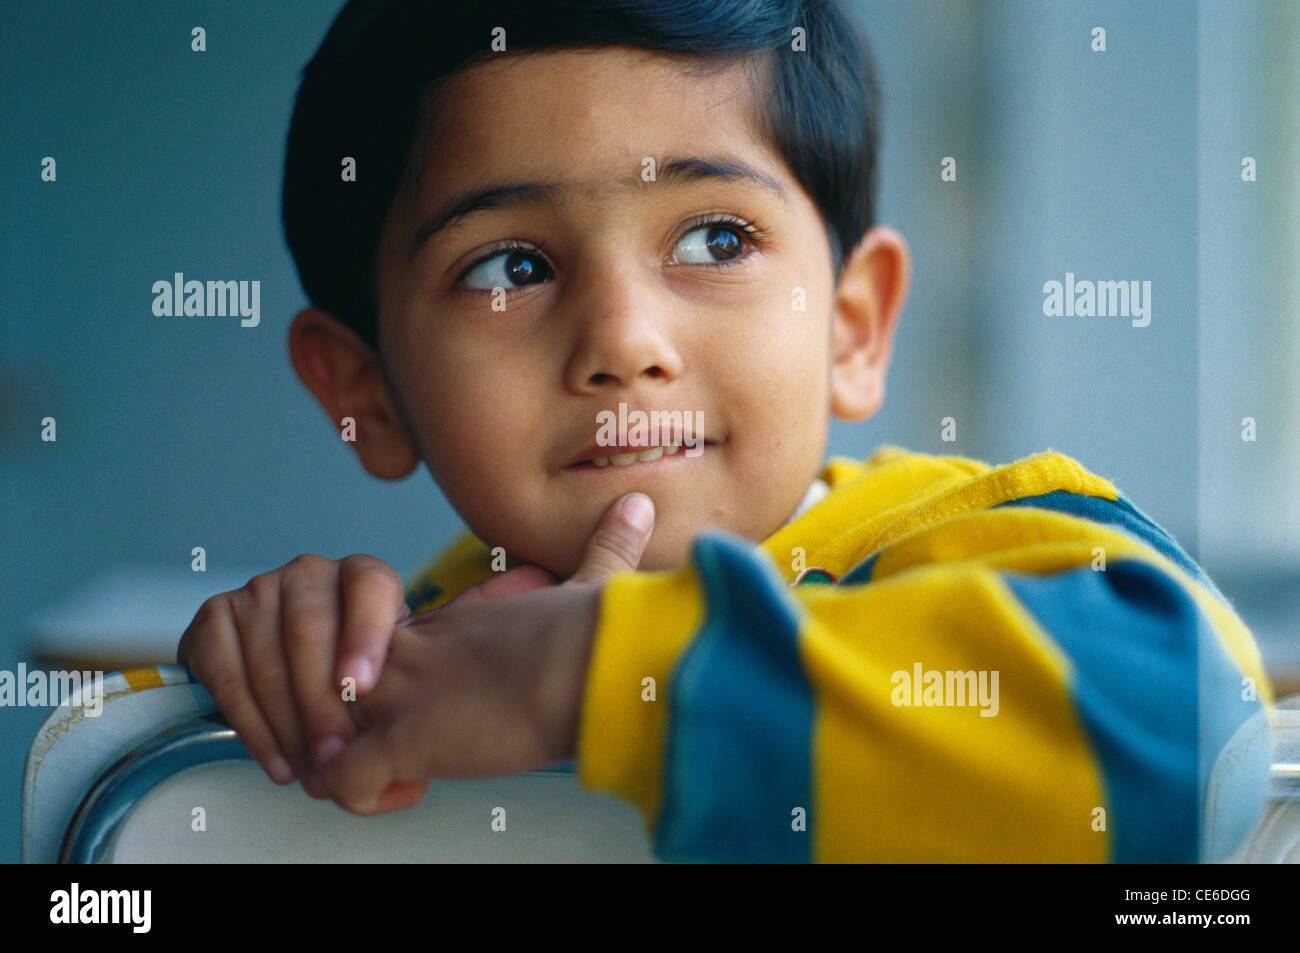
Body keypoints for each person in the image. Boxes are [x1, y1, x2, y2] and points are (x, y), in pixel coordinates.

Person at [178, 0, 1273, 861]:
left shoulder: (1003, 548)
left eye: (712, 239)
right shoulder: (433, 654)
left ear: (852, 325)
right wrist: (282, 667)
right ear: (363, 390)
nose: (623, 337)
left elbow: (1198, 731)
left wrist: (589, 674)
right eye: (511, 266)